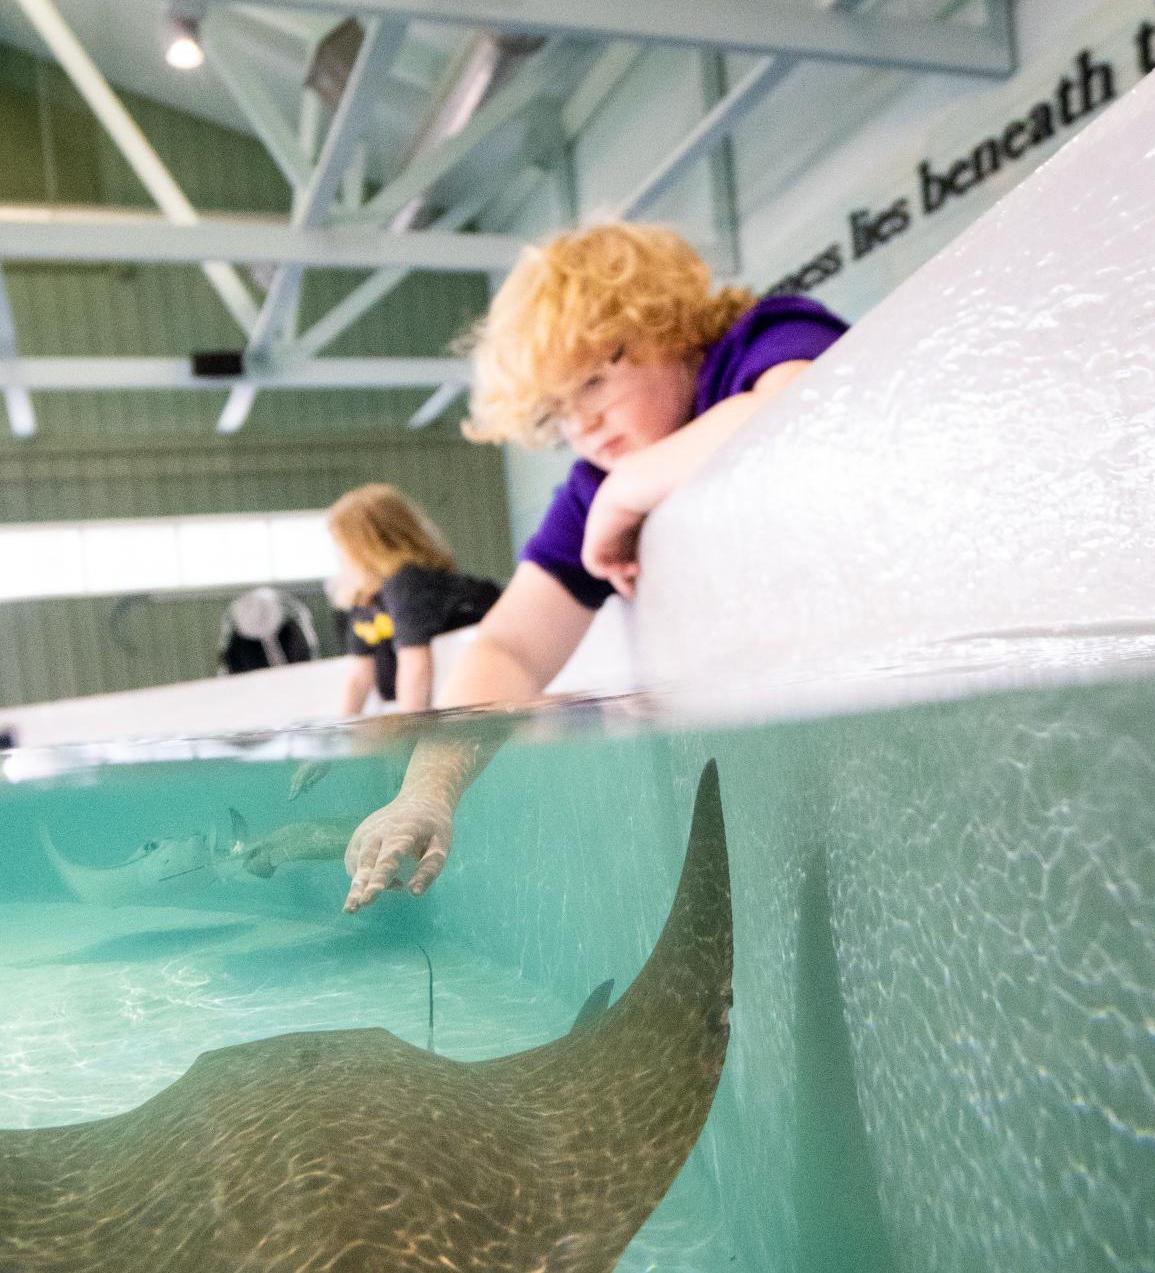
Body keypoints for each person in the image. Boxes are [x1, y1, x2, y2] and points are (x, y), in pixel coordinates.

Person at [343, 220, 846, 910]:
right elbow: (510, 646)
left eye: (595, 381)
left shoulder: (761, 338)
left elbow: (811, 405)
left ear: (666, 325)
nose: (583, 428)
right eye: (557, 412)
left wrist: (631, 485)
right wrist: (429, 788)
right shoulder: (592, 485)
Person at [327, 484, 501, 719]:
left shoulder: (409, 582)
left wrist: (409, 732)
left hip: (478, 690)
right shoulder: (365, 597)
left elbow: (416, 664)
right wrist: (343, 730)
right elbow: (359, 677)